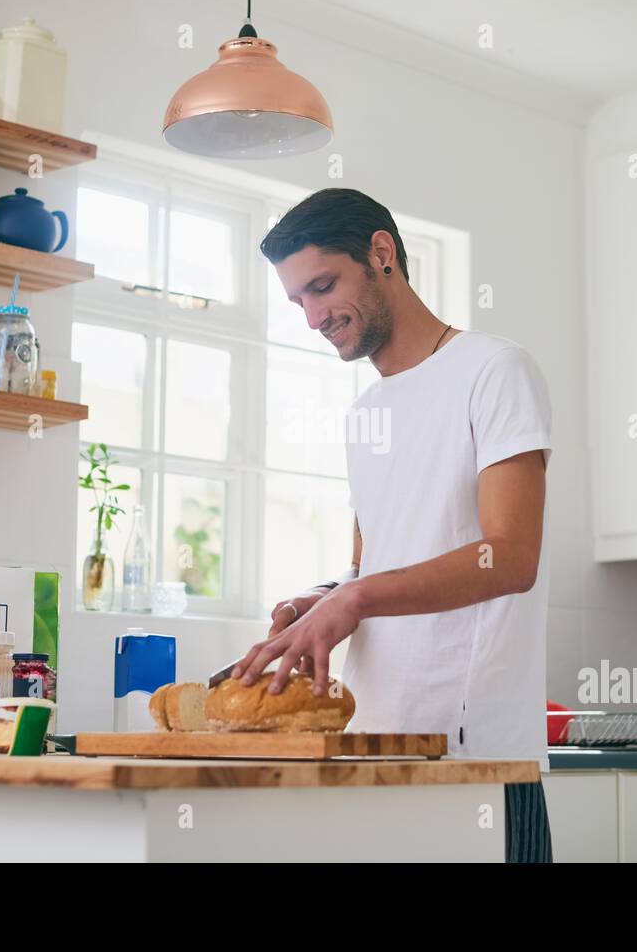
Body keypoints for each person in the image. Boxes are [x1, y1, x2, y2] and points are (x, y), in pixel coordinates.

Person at [234, 188, 553, 862]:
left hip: (478, 760)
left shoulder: (494, 371)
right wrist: (318, 602)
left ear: (382, 253)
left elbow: (513, 555)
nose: (314, 317)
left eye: (323, 286)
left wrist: (355, 597)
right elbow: (375, 567)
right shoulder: (365, 415)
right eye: (299, 302)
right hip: (376, 748)